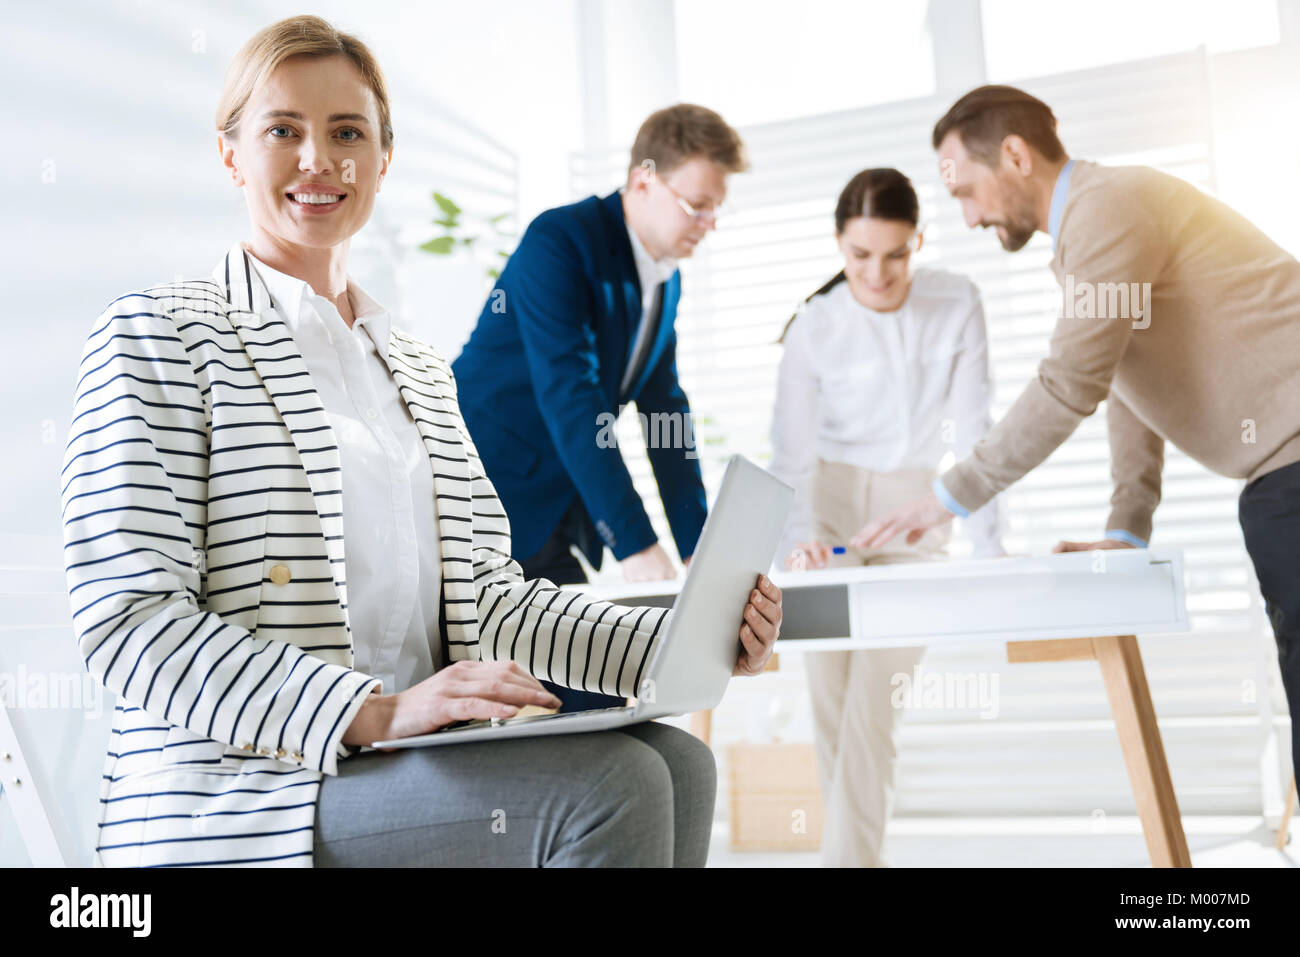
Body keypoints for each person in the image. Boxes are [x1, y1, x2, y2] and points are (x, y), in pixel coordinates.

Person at [59, 15, 783, 868]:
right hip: (251, 792)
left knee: (679, 762)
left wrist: (682, 643)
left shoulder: (412, 368)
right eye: (283, 130)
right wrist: (370, 710)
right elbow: (125, 619)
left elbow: (491, 599)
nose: (319, 159)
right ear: (231, 154)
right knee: (611, 783)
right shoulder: (157, 335)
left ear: (383, 158)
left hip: (402, 762)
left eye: (348, 132)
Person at [852, 84, 1300, 787]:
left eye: (967, 191)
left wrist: (950, 495)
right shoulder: (1094, 226)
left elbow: (1072, 382)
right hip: (1280, 473)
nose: (966, 217)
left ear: (1014, 155)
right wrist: (1127, 529)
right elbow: (1125, 380)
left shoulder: (1107, 208)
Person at [451, 104, 749, 712]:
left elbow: (665, 408)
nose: (709, 223)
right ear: (645, 179)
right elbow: (573, 397)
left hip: (560, 506)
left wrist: (697, 549)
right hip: (490, 502)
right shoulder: (560, 241)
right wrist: (637, 546)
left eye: (717, 207)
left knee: (608, 693)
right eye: (698, 204)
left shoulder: (665, 276)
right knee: (597, 693)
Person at [770, 168, 1003, 867]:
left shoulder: (957, 302)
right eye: (859, 255)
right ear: (839, 245)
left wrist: (992, 556)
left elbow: (977, 431)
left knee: (875, 703)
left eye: (896, 255)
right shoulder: (814, 326)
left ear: (919, 242)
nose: (877, 274)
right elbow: (790, 453)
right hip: (829, 512)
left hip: (914, 518)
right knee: (831, 705)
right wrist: (801, 538)